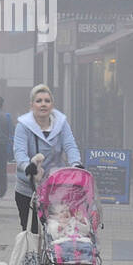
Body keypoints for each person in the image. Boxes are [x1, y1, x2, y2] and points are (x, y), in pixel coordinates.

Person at [12, 84, 81, 230]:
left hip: (55, 188)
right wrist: (27, 166)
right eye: (39, 101)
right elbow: (19, 152)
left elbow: (70, 145)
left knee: (57, 231)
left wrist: (76, 164)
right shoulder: (23, 126)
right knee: (32, 232)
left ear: (52, 105)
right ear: (32, 105)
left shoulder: (61, 124)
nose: (43, 104)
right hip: (28, 189)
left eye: (47, 101)